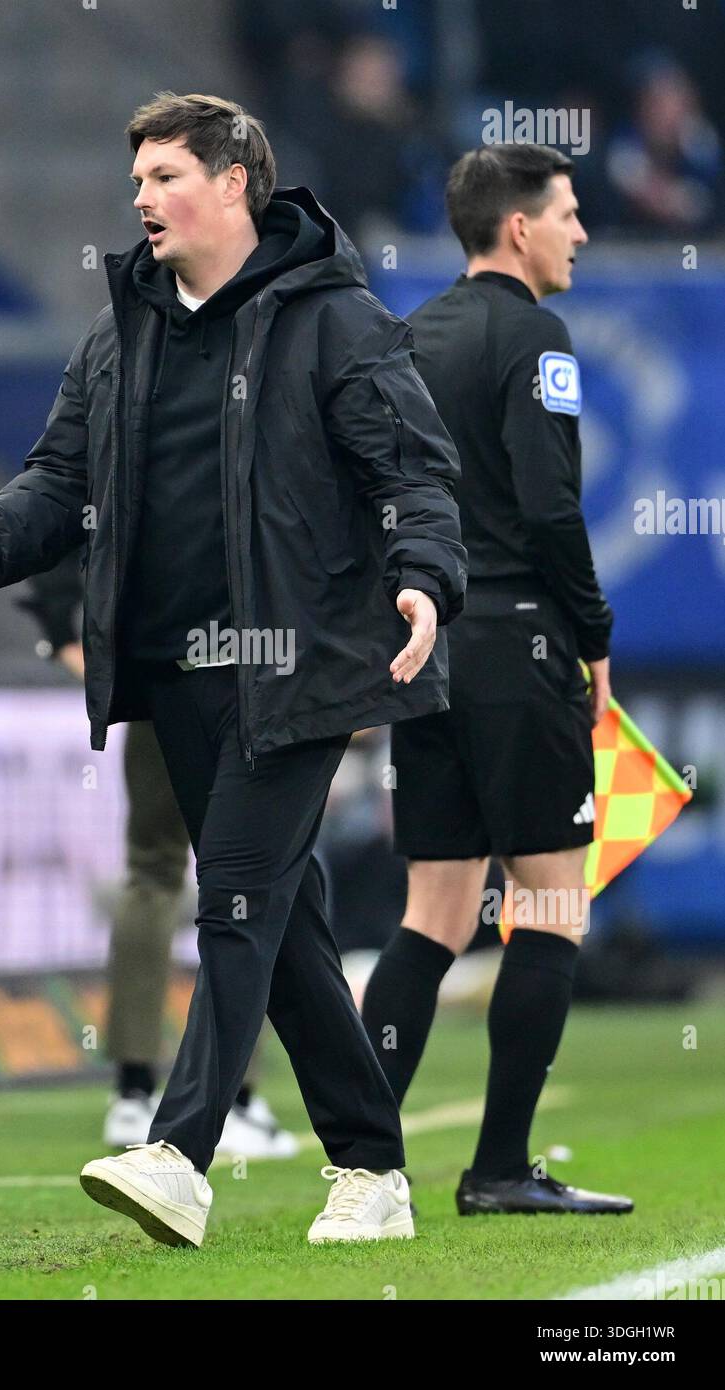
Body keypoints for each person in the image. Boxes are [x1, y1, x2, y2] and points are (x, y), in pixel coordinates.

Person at [0, 91, 466, 1248]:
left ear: (234, 182)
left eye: (163, 177)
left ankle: (180, 1150)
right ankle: (372, 1166)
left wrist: (425, 573)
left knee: (237, 898)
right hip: (173, 673)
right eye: (137, 181)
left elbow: (411, 469)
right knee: (282, 914)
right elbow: (60, 478)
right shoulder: (122, 329)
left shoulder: (336, 321)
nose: (141, 200)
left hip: (302, 665)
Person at [362, 143, 633, 1216]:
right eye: (567, 214)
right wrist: (593, 630)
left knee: (433, 914)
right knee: (552, 905)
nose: (578, 233)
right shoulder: (538, 338)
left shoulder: (405, 337)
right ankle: (502, 1170)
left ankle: (366, 1162)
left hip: (426, 646)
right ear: (517, 227)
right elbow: (553, 504)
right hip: (520, 644)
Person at [19, 554, 298, 1159]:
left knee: (151, 871)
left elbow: (72, 516)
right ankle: (235, 1100)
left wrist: (63, 634)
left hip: (159, 675)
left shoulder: (136, 457)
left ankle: (133, 1092)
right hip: (249, 679)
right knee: (250, 882)